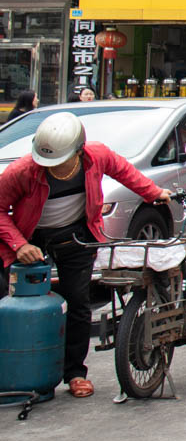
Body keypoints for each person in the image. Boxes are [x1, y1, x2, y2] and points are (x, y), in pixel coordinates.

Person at [0, 111, 173, 399]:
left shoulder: (97, 156)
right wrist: (19, 245)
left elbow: (125, 172)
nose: (52, 167)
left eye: (59, 161)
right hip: (30, 237)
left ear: (78, 151)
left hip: (75, 236)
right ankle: (18, 370)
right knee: (14, 303)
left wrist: (153, 192)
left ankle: (75, 373)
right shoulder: (22, 171)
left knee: (78, 304)